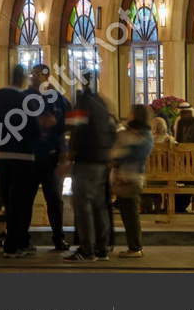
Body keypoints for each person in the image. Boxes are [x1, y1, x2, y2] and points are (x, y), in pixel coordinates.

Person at [0, 64, 38, 258]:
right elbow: (35, 131)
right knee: (21, 203)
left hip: (0, 157)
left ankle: (12, 243)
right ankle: (16, 244)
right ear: (23, 80)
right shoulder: (26, 100)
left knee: (7, 200)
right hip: (23, 158)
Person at [64, 75, 115, 262]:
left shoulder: (83, 102)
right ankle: (102, 248)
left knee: (82, 205)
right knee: (99, 205)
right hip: (102, 161)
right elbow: (112, 128)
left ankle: (87, 249)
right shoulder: (102, 102)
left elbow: (74, 129)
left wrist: (70, 156)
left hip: (86, 160)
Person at [27, 64, 71, 252]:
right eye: (34, 74)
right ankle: (55, 238)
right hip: (38, 155)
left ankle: (57, 238)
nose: (34, 78)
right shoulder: (57, 99)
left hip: (42, 156)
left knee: (50, 200)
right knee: (38, 199)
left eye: (37, 75)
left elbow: (68, 124)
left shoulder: (55, 99)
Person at [112, 105, 152, 258]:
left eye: (131, 113)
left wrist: (119, 155)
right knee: (127, 213)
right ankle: (134, 246)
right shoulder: (133, 132)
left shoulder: (143, 135)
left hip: (132, 177)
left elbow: (133, 154)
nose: (128, 115)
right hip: (125, 176)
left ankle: (135, 247)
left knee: (130, 214)